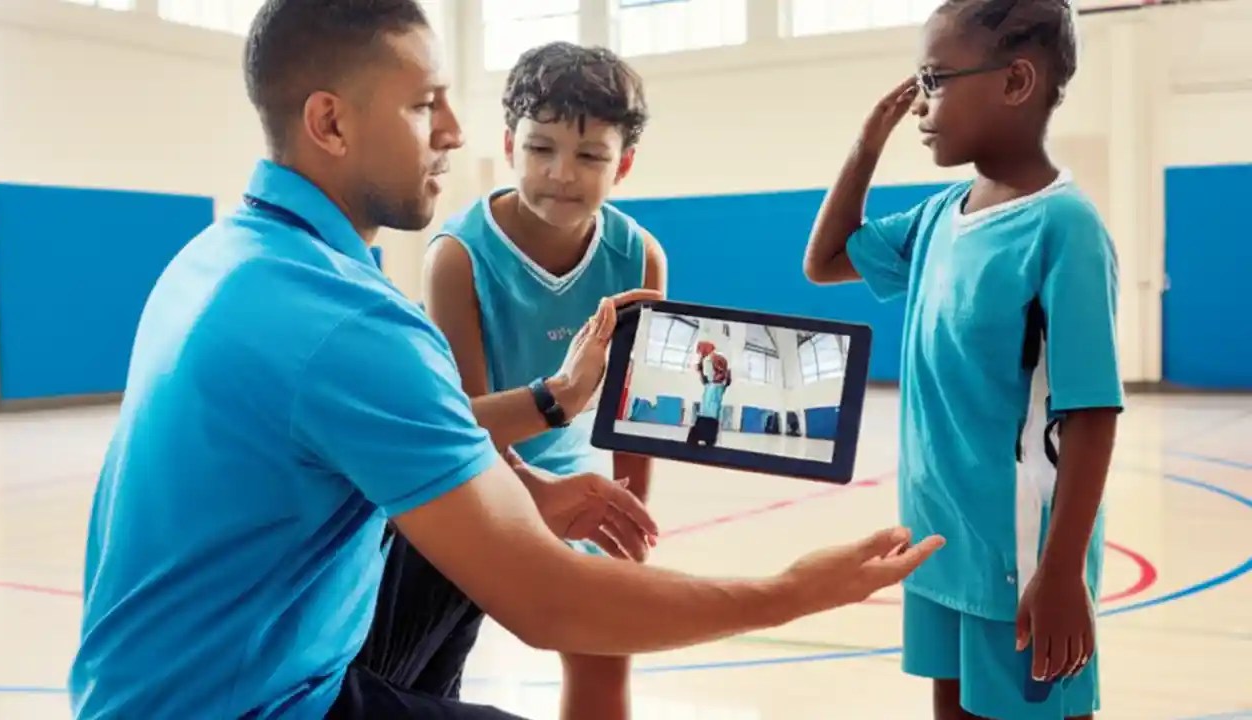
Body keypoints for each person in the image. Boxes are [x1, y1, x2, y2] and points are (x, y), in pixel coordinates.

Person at [67, 2, 945, 719]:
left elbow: (443, 433)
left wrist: (571, 459)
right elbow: (542, 599)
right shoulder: (360, 317)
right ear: (329, 121)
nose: (453, 129)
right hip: (251, 701)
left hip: (184, 683)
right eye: (425, 105)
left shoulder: (224, 257)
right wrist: (791, 588)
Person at [802, 1, 1121, 719]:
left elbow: (1092, 413)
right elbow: (825, 261)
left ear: (1015, 82)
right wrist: (865, 144)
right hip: (940, 538)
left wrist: (1063, 570)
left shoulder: (1064, 226)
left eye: (936, 80)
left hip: (1020, 557)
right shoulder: (941, 213)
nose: (920, 103)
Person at [418, 41, 662, 720]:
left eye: (590, 157)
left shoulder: (638, 255)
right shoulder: (457, 258)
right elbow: (459, 424)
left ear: (626, 164)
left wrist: (628, 522)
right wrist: (525, 492)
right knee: (425, 676)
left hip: (578, 474)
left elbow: (635, 414)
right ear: (508, 145)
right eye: (540, 148)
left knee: (605, 660)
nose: (561, 173)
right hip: (470, 477)